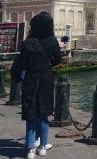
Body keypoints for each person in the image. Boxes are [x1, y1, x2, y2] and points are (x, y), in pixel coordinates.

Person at [11, 12, 62, 159]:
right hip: (46, 79)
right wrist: (47, 65)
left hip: (31, 79)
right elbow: (57, 59)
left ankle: (30, 149)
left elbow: (22, 63)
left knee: (31, 115)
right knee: (44, 114)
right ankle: (43, 146)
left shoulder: (28, 42)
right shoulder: (52, 41)